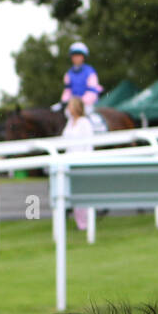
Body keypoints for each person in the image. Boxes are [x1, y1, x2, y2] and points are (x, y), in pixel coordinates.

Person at [61, 97, 94, 231]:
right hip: (69, 162)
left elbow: (89, 144)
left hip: (81, 162)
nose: (67, 108)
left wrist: (86, 162)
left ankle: (85, 223)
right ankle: (80, 223)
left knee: (82, 193)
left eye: (70, 105)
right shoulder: (69, 122)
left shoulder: (84, 122)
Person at [57, 42, 104, 127]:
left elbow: (92, 92)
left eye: (79, 55)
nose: (76, 58)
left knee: (89, 115)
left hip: (87, 104)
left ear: (83, 57)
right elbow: (67, 91)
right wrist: (64, 101)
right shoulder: (69, 74)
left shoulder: (90, 72)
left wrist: (79, 102)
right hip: (73, 104)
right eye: (74, 55)